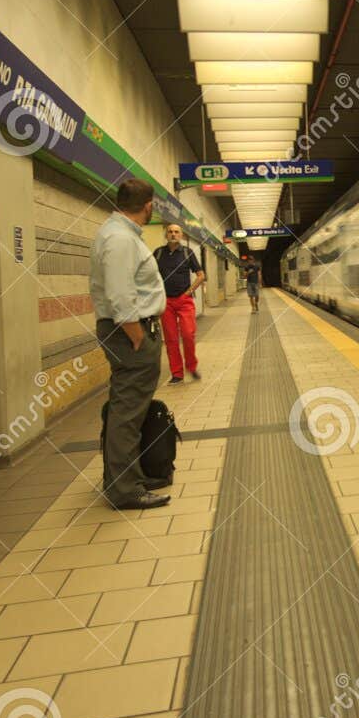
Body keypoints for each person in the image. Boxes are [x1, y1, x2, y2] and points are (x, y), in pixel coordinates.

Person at [89, 178, 170, 510]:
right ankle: (125, 490)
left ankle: (126, 477)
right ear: (148, 205)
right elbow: (121, 297)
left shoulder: (116, 233)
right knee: (127, 413)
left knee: (128, 409)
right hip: (130, 335)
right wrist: (138, 336)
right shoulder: (120, 239)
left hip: (129, 332)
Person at [153, 223, 206, 385]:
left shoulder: (187, 253)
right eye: (170, 232)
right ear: (166, 235)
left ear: (181, 235)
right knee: (171, 339)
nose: (173, 234)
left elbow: (201, 275)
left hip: (184, 301)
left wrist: (188, 292)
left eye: (176, 232)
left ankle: (191, 366)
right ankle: (177, 373)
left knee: (188, 335)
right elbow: (150, 274)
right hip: (166, 302)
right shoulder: (158, 253)